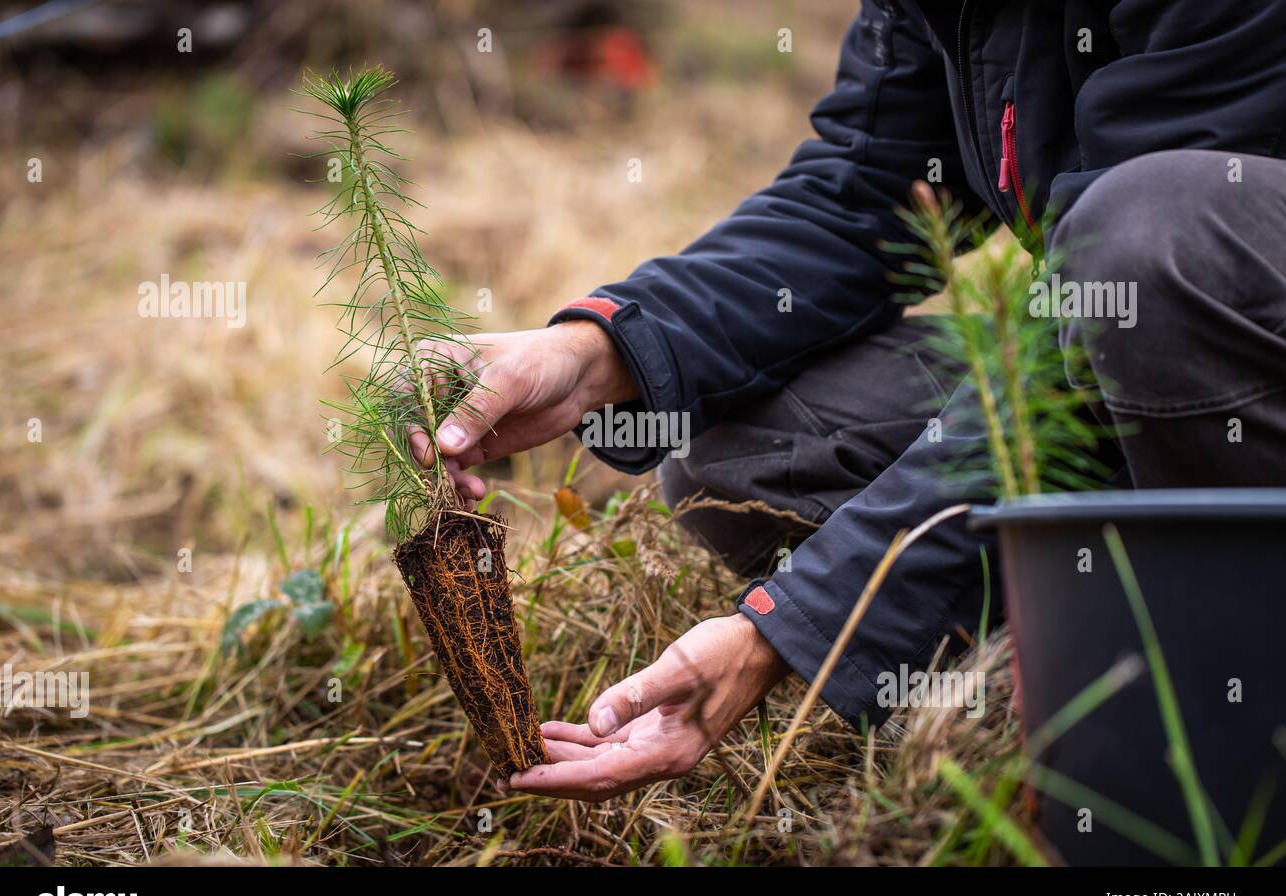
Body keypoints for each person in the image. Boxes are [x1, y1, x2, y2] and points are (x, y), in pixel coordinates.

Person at [411, 1, 1286, 801]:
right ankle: (1096, 655)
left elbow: (1126, 301)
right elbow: (860, 196)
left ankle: (1222, 729)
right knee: (749, 452)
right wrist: (599, 353)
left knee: (1149, 237)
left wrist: (789, 623)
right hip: (1140, 353)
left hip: (1206, 321)